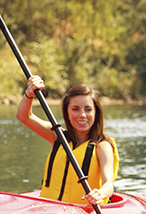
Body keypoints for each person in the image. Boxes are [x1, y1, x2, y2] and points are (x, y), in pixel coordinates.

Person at [16, 75, 119, 205]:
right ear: (67, 113)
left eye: (88, 109)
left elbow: (108, 184)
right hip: (49, 210)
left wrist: (100, 193)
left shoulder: (102, 146)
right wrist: (29, 94)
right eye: (75, 109)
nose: (82, 115)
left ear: (96, 113)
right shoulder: (57, 137)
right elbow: (24, 116)